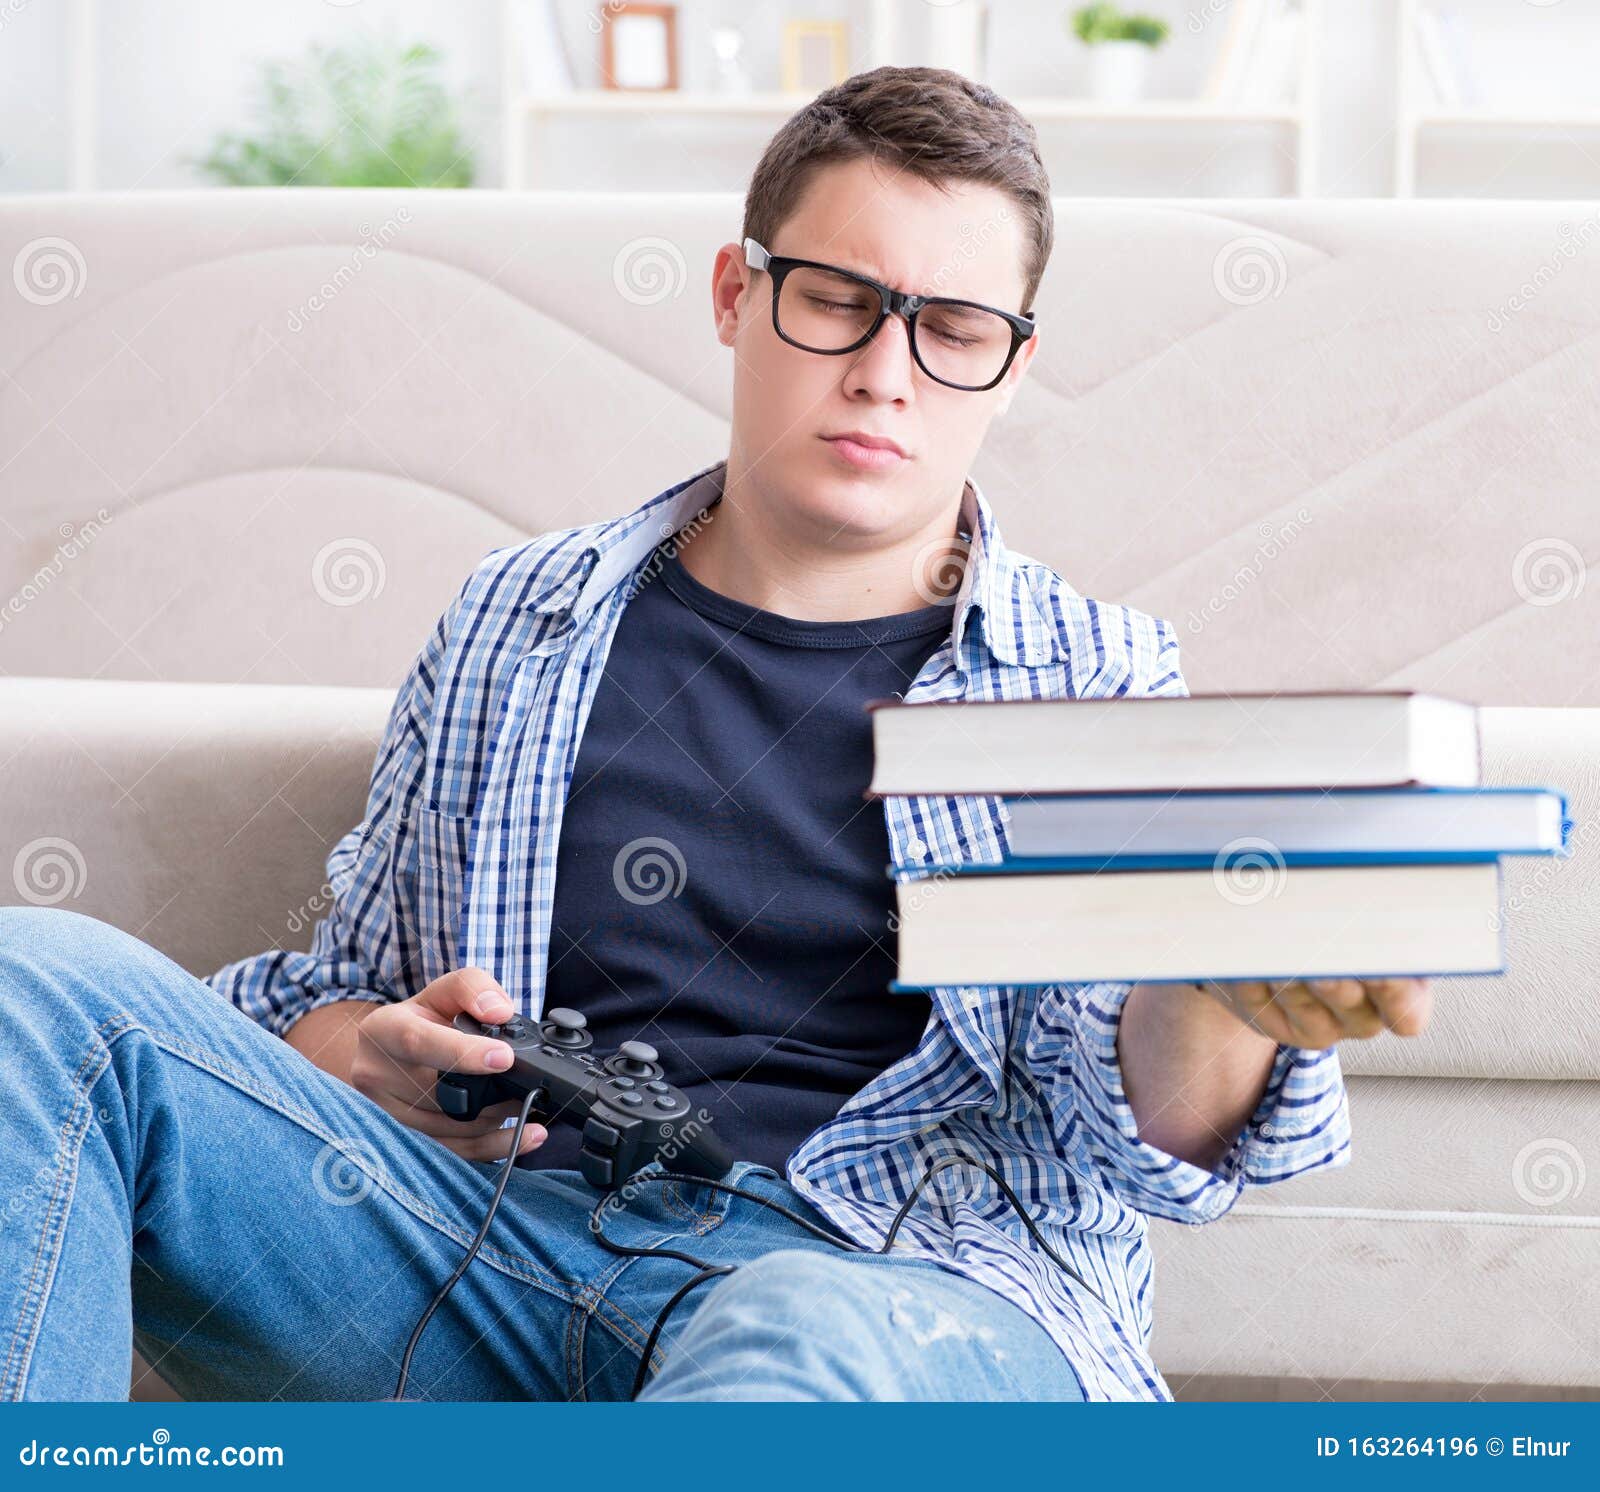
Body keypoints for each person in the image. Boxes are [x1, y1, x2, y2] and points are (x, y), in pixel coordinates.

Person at [0, 66, 1432, 1404]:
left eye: (952, 330)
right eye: (839, 301)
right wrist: (370, 1052)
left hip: (887, 1290)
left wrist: (1223, 994)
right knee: (36, 987)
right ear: (737, 295)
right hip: (490, 1260)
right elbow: (333, 995)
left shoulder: (1091, 678)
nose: (886, 373)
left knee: (786, 1330)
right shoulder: (521, 617)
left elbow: (1119, 1130)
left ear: (1010, 365)